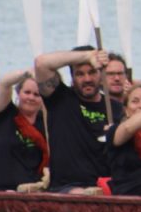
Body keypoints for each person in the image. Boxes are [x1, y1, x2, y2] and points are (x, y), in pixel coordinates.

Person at [34, 46, 116, 193]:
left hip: (106, 187)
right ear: (72, 77)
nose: (87, 79)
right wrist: (88, 56)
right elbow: (41, 63)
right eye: (80, 74)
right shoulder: (59, 99)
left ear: (101, 74)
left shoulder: (114, 107)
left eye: (92, 72)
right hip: (67, 188)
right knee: (81, 195)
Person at [0, 70, 50, 191]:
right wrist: (29, 72)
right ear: (18, 93)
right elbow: (4, 83)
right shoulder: (4, 113)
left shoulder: (46, 123)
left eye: (36, 94)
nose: (31, 97)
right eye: (27, 92)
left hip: (31, 191)